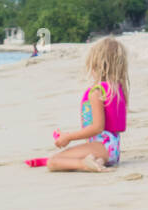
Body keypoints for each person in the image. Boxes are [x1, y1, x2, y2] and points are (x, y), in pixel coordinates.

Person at [47, 36, 128, 172]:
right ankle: (97, 162)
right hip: (113, 150)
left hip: (101, 146)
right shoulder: (117, 90)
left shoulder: (97, 92)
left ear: (95, 64)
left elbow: (97, 127)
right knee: (75, 157)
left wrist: (68, 137)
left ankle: (84, 164)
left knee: (53, 162)